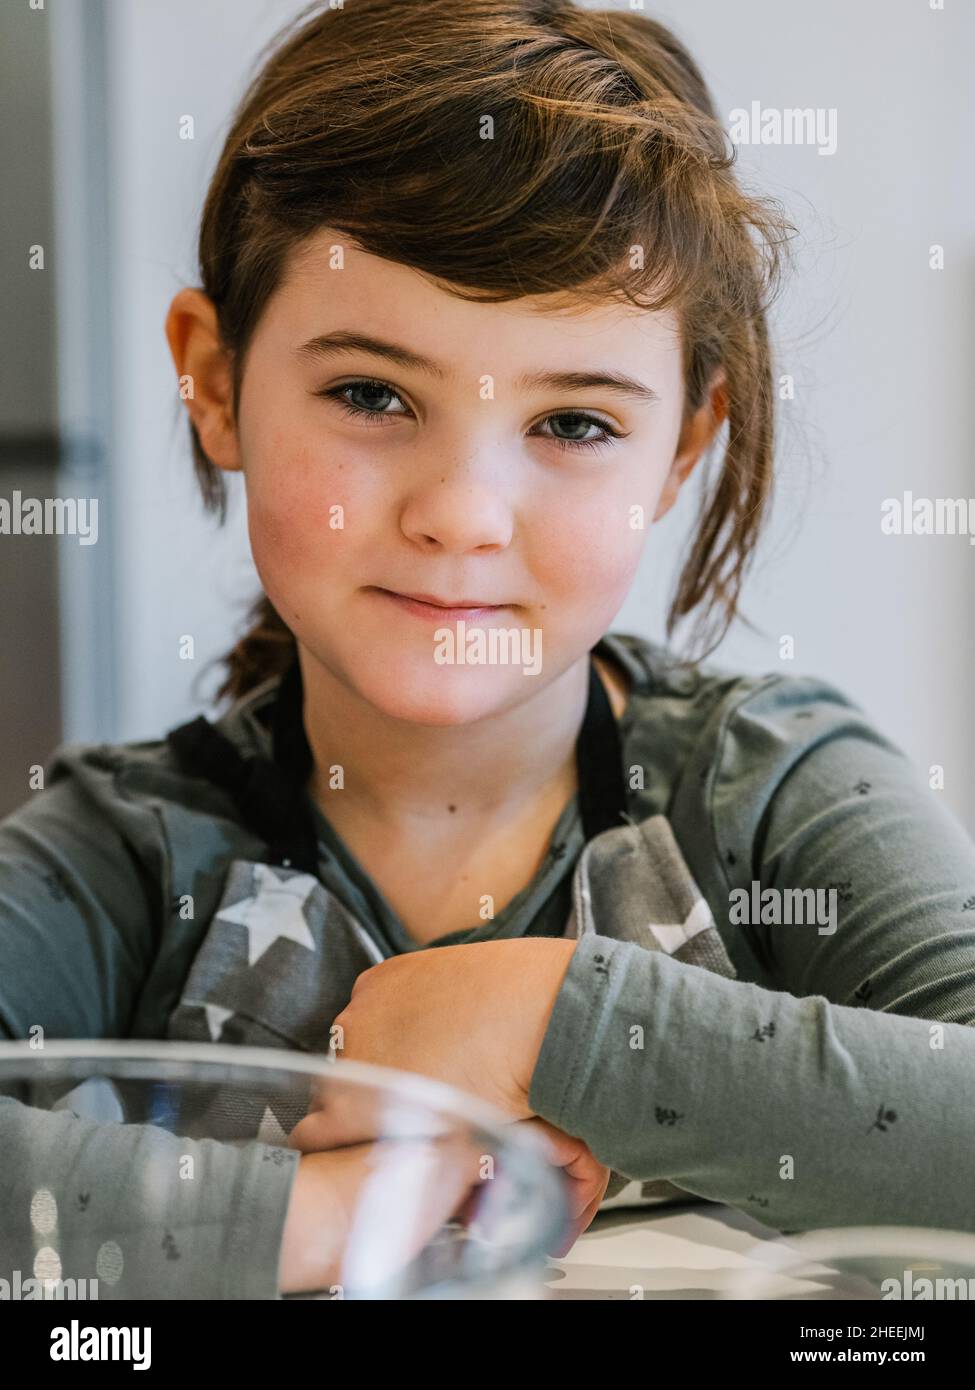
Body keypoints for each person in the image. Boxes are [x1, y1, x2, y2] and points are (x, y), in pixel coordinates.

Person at [3, 0, 975, 1300]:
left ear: (686, 442)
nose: (460, 513)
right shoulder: (123, 852)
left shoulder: (775, 788)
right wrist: (332, 1211)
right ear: (217, 380)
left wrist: (555, 1020)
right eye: (369, 395)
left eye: (573, 421)